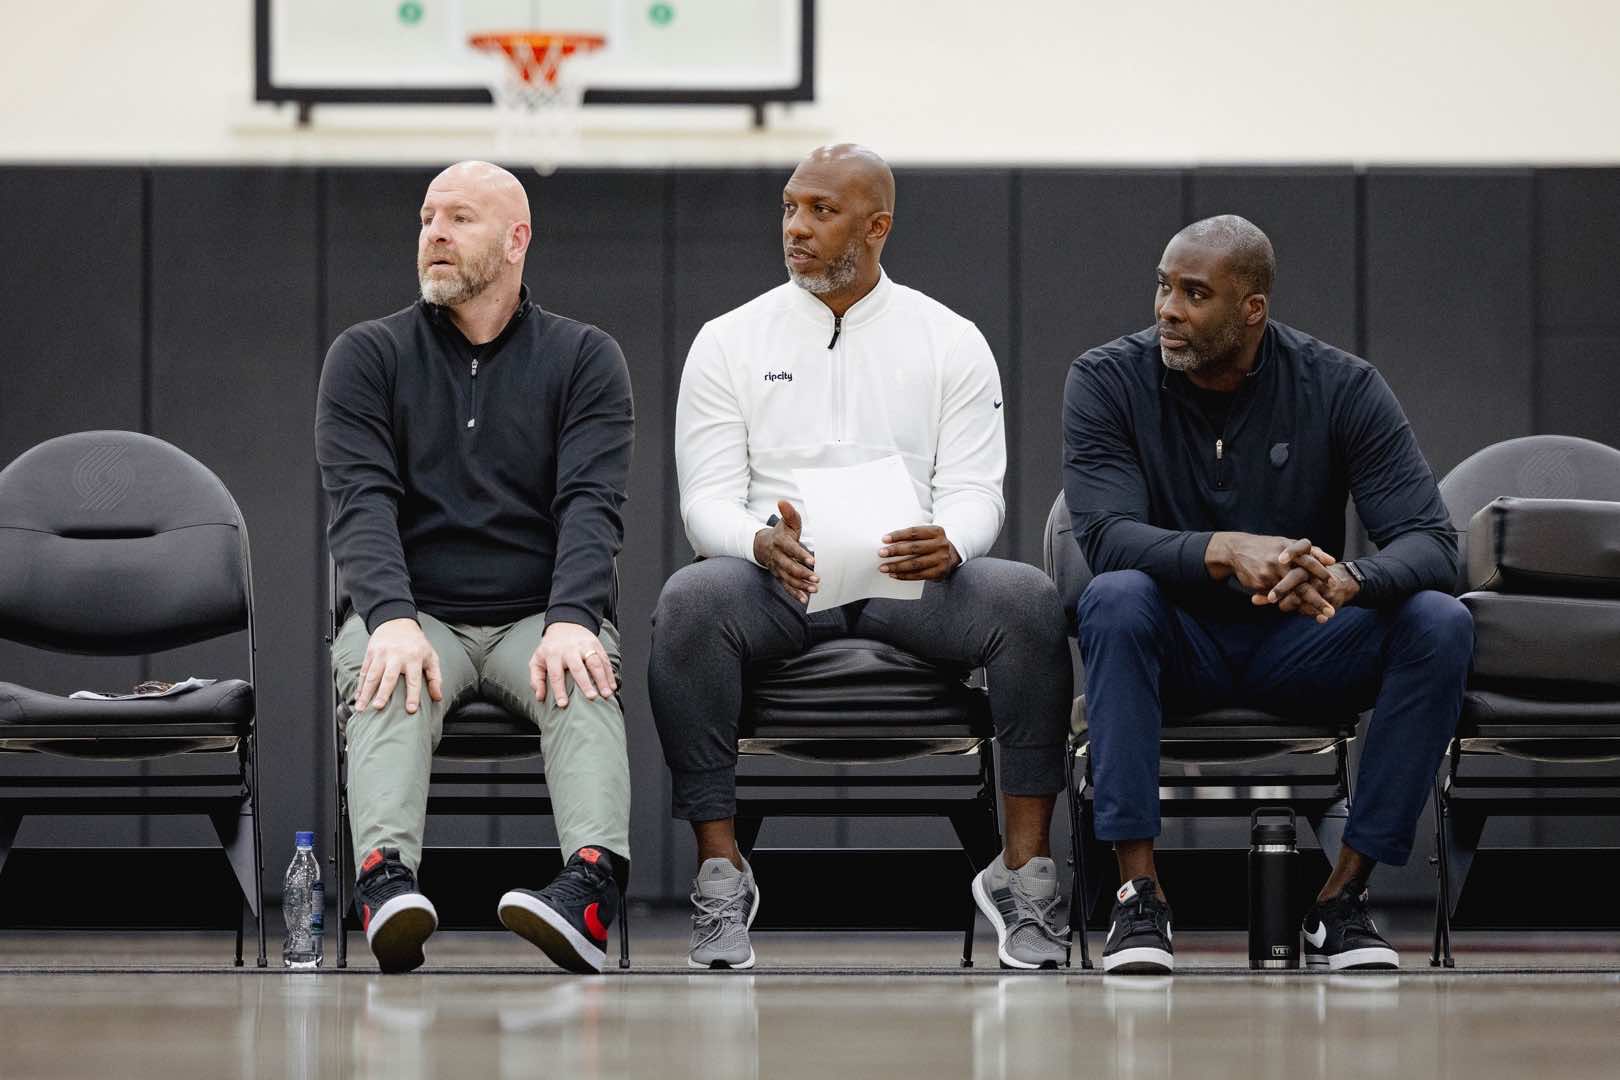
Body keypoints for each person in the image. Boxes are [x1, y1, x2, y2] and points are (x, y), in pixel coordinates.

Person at [650, 144, 1073, 971]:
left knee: (1026, 600)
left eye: (820, 211)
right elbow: (705, 502)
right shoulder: (728, 341)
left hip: (907, 584)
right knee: (689, 601)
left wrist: (952, 539)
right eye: (788, 208)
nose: (795, 229)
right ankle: (721, 874)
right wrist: (755, 542)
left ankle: (1023, 878)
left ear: (876, 227)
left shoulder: (950, 340)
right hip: (778, 583)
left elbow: (977, 491)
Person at [1063, 215, 1473, 974]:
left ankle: (1341, 901)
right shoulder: (1106, 378)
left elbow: (1432, 543)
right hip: (1173, 645)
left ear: (1251, 309)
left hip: (1300, 643)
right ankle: (1138, 897)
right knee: (1115, 597)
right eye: (1162, 286)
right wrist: (1223, 551)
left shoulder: (1341, 386)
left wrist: (1353, 579)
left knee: (1438, 622)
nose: (1167, 309)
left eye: (1193, 293)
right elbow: (1107, 537)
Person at [316, 160, 634, 974]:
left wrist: (574, 618)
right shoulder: (365, 355)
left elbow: (592, 505)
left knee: (584, 675)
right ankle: (385, 886)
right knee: (389, 674)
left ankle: (587, 893)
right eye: (427, 218)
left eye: (459, 218)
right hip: (416, 611)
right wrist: (385, 618)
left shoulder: (587, 357)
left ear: (516, 239)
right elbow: (361, 503)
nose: (435, 235)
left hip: (539, 614)